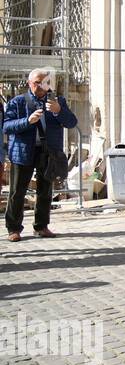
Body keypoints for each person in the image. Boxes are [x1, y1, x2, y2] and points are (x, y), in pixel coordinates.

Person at [4, 68, 78, 241]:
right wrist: (27, 121)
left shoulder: (57, 101)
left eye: (43, 82)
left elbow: (72, 122)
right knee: (17, 191)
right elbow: (6, 126)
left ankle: (41, 227)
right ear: (29, 83)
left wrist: (59, 110)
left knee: (45, 190)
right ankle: (13, 229)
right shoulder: (18, 102)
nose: (40, 86)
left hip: (48, 151)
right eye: (36, 82)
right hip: (23, 151)